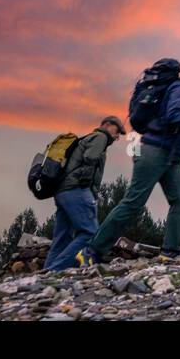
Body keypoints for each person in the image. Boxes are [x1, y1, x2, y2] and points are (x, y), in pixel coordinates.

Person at [77, 56, 180, 265]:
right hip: (155, 152)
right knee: (133, 203)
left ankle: (170, 251)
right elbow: (171, 115)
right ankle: (91, 251)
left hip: (170, 155)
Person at [43, 116, 124, 271]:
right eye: (117, 131)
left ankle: (45, 274)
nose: (117, 136)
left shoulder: (87, 138)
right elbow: (90, 158)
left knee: (62, 238)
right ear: (107, 125)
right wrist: (87, 189)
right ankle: (56, 270)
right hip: (76, 190)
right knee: (90, 233)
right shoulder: (101, 137)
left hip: (62, 192)